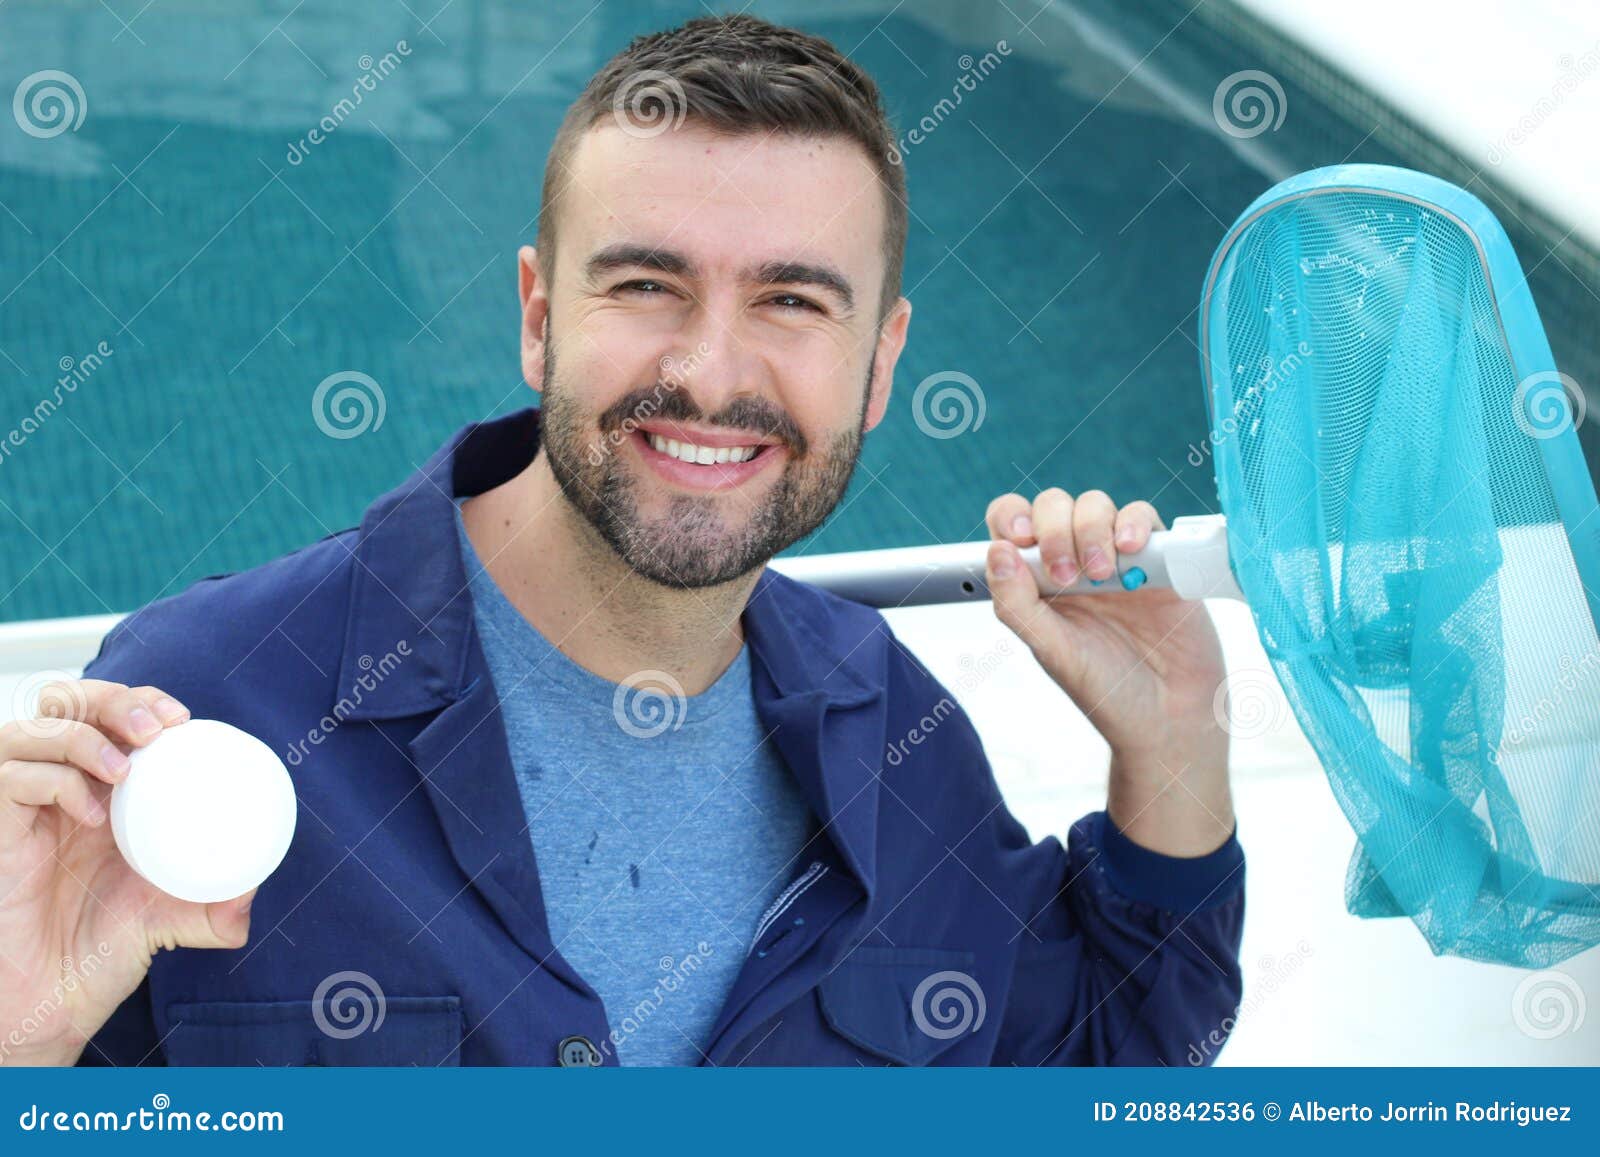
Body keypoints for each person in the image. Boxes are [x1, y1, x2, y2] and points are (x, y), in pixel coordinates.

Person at [0, 13, 1242, 1068]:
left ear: (881, 364)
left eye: (791, 301)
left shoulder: (896, 745)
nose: (707, 372)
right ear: (539, 318)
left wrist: (1174, 740)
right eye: (646, 285)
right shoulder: (209, 702)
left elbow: (1097, 1063)